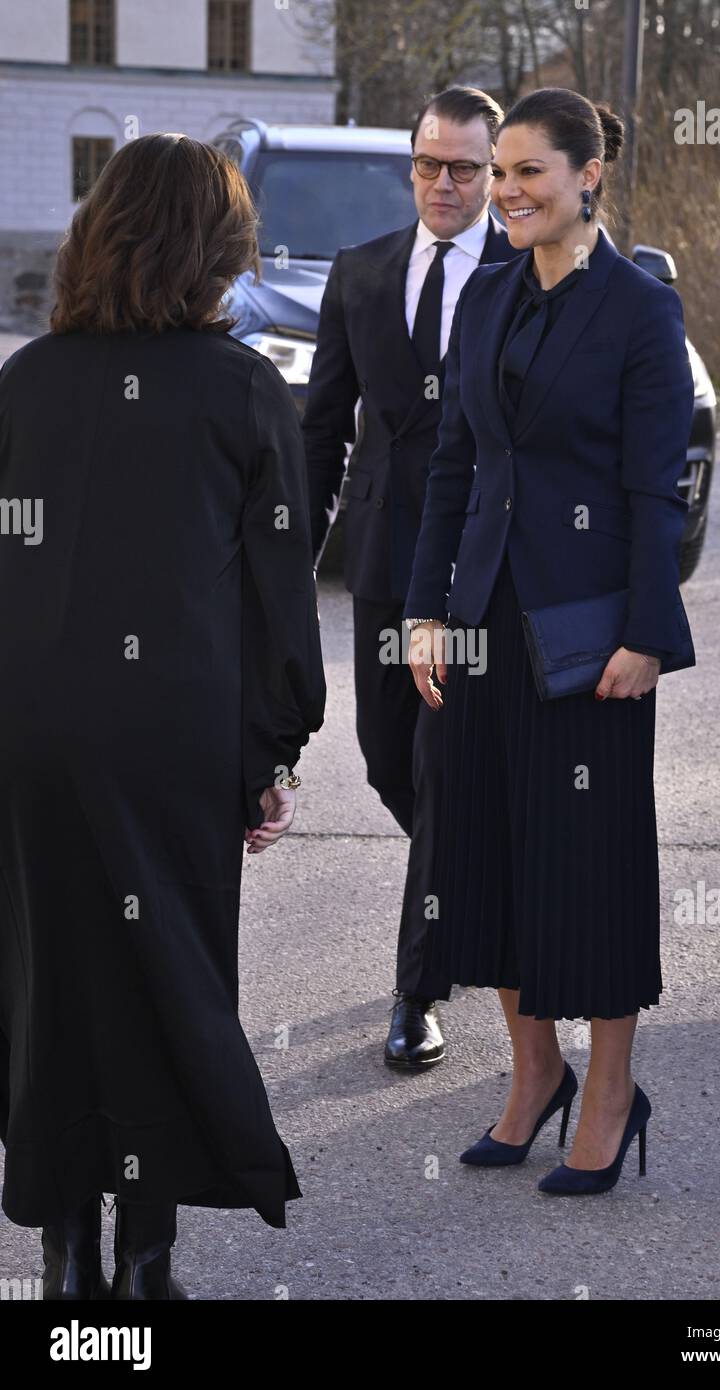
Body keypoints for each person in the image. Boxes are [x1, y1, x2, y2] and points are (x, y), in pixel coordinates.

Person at [0, 133, 326, 1298]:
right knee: (163, 974)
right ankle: (143, 1262)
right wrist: (269, 752)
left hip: (31, 732)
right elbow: (275, 597)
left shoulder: (24, 384)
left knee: (46, 985)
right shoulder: (243, 389)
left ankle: (64, 1262)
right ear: (215, 251)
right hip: (173, 734)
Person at [404, 88, 695, 1194]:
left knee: (590, 868)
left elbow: (651, 489)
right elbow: (450, 468)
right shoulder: (482, 298)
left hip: (589, 643)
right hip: (479, 626)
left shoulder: (638, 308)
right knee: (488, 860)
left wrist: (645, 633)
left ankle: (611, 1093)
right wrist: (424, 610)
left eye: (530, 172)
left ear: (588, 179)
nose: (509, 191)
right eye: (503, 173)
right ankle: (534, 1078)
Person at [302, 87, 522, 1070]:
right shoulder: (357, 275)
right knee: (388, 756)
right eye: (431, 164)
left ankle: (419, 985)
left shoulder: (527, 276)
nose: (445, 182)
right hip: (386, 562)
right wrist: (284, 557)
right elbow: (319, 433)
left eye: (465, 168)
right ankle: (468, 879)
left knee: (438, 766)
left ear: (492, 171)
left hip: (482, 572)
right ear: (412, 165)